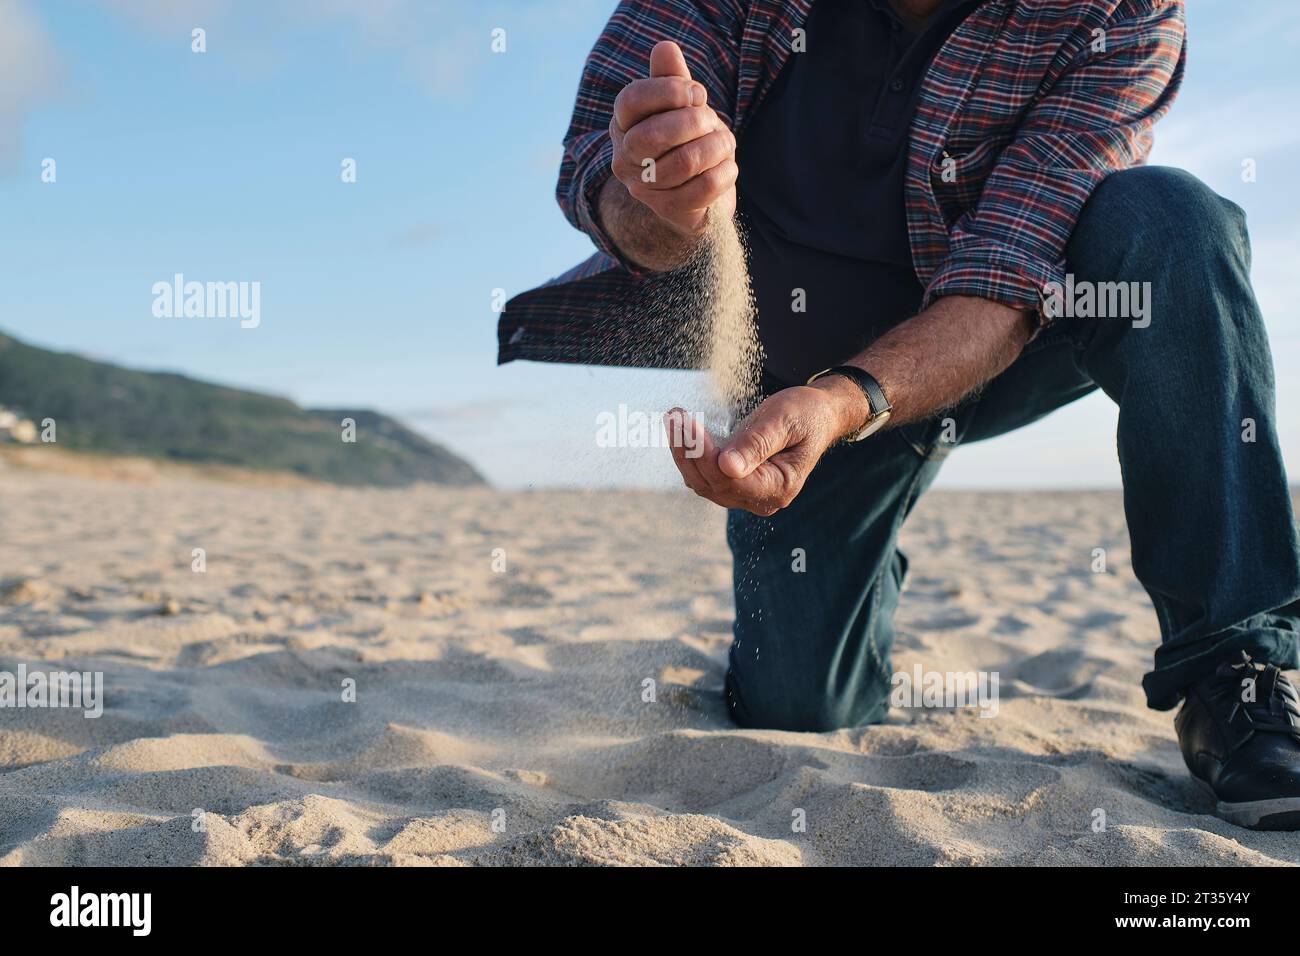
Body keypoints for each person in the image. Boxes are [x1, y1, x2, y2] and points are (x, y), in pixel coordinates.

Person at [497, 0, 1300, 830]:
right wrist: (662, 200)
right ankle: (862, 547)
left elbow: (1005, 271)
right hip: (794, 395)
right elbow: (598, 165)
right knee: (797, 704)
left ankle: (1233, 672)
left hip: (1003, 335)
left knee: (1171, 224)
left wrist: (853, 398)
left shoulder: (1118, 11)